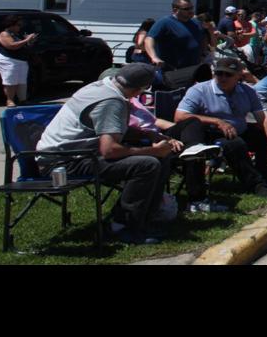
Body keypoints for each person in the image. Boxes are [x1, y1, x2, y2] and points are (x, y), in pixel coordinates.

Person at [36, 65, 182, 245]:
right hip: (63, 162)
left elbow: (110, 129)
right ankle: (122, 226)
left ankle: (147, 218)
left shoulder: (101, 86)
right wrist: (155, 150)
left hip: (75, 154)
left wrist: (149, 135)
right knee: (147, 164)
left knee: (160, 158)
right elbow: (110, 150)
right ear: (139, 90)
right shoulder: (111, 101)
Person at [174, 57, 267, 200]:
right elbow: (180, 116)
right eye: (219, 73)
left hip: (239, 129)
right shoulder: (199, 90)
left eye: (228, 74)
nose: (222, 77)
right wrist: (217, 121)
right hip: (210, 133)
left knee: (264, 138)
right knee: (235, 144)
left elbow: (263, 117)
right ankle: (256, 185)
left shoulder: (248, 91)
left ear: (239, 76)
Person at [143, 0, 210, 85]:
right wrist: (154, 57)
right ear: (175, 10)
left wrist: (204, 53)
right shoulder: (165, 22)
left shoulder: (195, 23)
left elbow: (202, 37)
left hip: (193, 70)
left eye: (191, 8)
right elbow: (149, 39)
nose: (191, 11)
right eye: (186, 9)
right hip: (172, 72)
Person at [0, 14, 36, 107]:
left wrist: (29, 41)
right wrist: (26, 40)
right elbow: (11, 46)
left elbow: (22, 46)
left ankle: (23, 100)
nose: (20, 27)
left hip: (21, 60)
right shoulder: (4, 34)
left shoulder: (17, 34)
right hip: (7, 59)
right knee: (10, 80)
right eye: (18, 25)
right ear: (11, 24)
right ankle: (10, 100)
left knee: (22, 81)